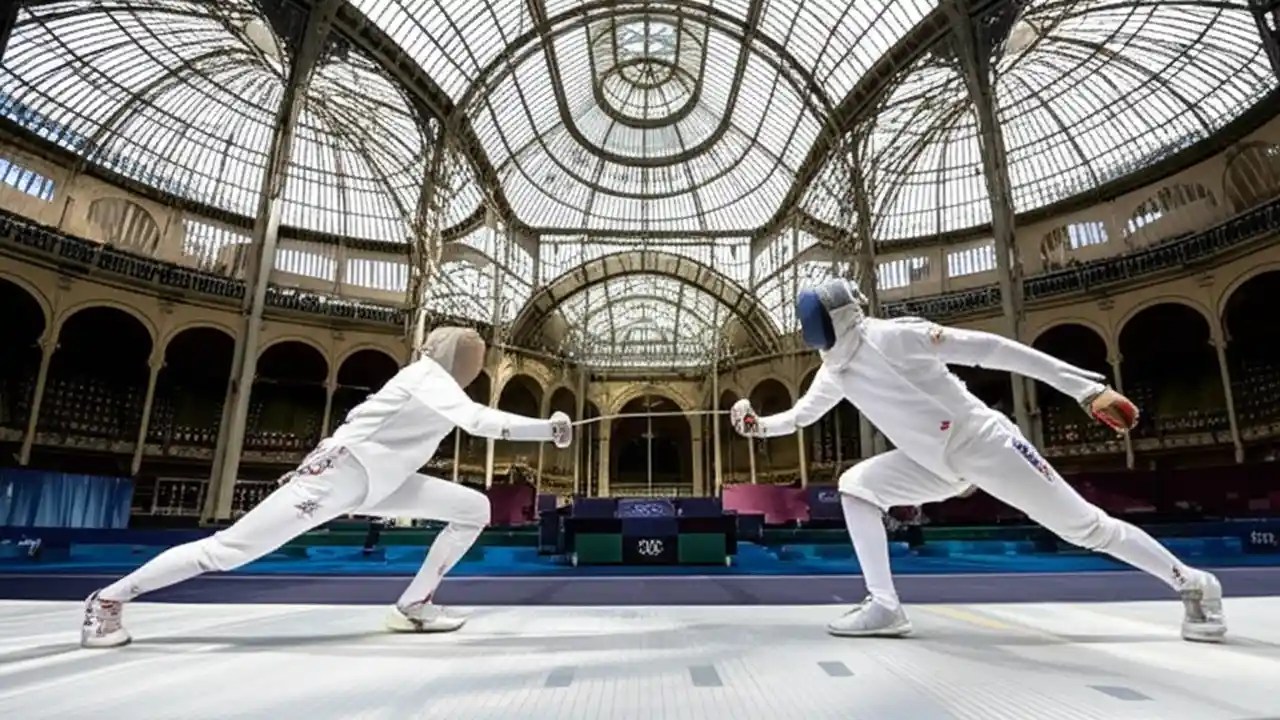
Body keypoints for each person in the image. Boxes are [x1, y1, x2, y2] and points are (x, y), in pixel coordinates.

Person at [729, 278, 1225, 642]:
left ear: (827, 319)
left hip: (986, 444)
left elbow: (991, 348)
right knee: (857, 484)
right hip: (933, 465)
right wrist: (758, 427)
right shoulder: (835, 370)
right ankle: (884, 606)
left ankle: (1195, 585)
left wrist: (1086, 387)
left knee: (1085, 529)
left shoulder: (893, 336)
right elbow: (798, 417)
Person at [81, 326, 572, 648]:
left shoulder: (442, 388)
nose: (471, 363)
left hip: (382, 481)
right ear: (446, 354)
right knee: (227, 551)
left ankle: (413, 605)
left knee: (472, 507)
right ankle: (107, 600)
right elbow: (477, 421)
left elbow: (464, 415)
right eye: (467, 355)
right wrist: (544, 428)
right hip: (340, 473)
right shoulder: (425, 375)